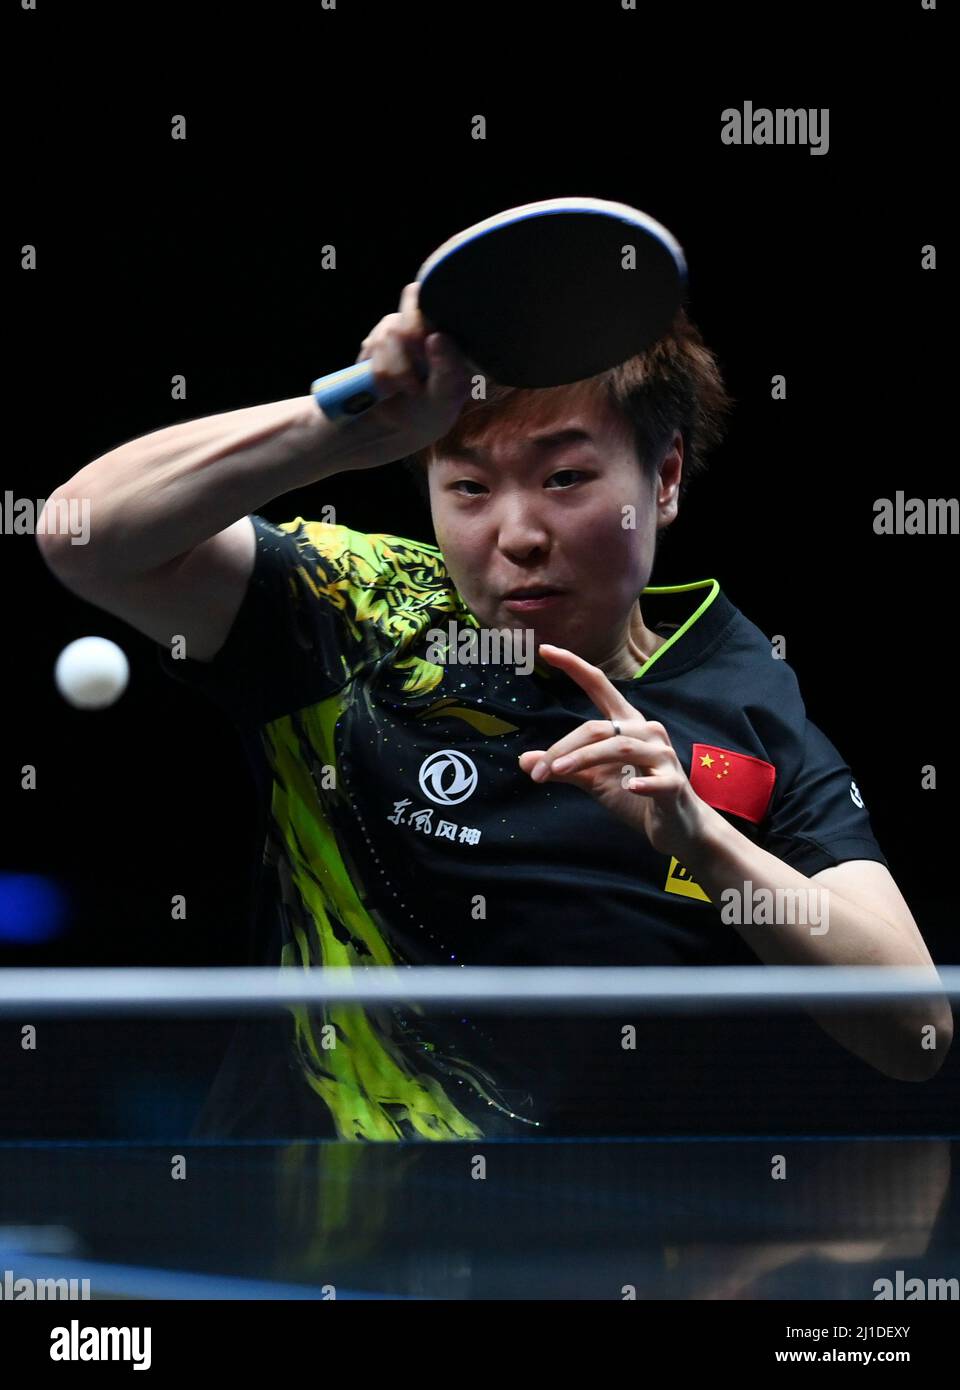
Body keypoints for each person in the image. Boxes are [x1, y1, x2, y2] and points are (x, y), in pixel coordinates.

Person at [37, 282, 953, 1142]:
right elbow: (81, 535)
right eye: (470, 487)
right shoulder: (357, 614)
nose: (517, 536)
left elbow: (915, 1030)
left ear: (665, 477)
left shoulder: (743, 694)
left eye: (565, 478)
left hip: (604, 1233)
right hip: (310, 1219)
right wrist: (340, 423)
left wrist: (703, 842)